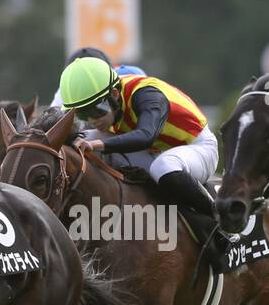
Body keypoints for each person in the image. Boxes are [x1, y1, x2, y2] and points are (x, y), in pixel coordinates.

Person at [57, 56, 229, 269]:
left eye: (97, 110)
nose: (92, 120)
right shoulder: (112, 104)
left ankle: (218, 218)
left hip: (198, 147)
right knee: (77, 142)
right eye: (84, 113)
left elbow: (146, 135)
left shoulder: (146, 94)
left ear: (114, 94)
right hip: (156, 150)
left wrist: (98, 145)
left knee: (162, 167)